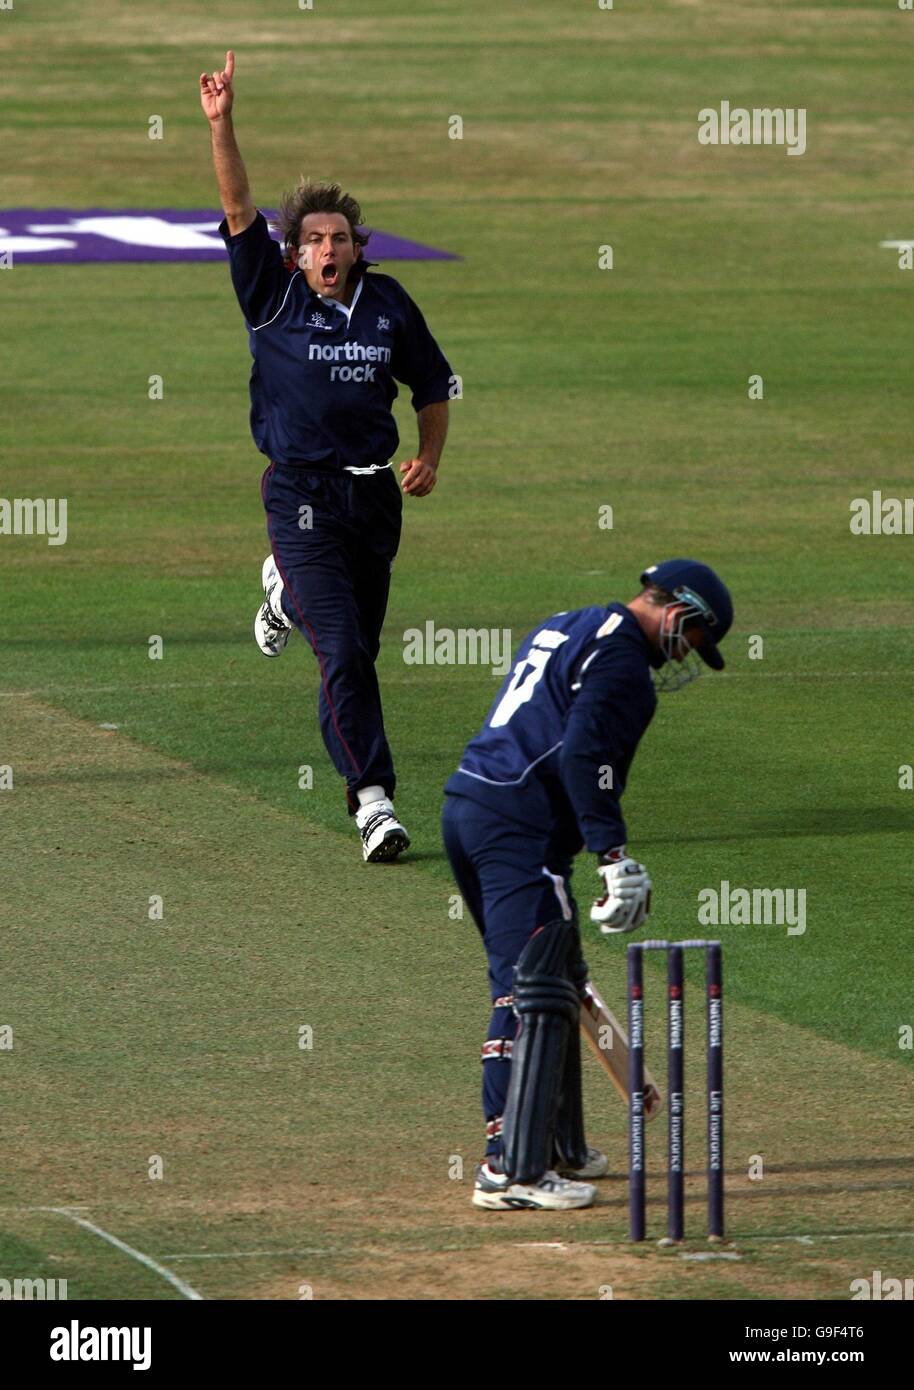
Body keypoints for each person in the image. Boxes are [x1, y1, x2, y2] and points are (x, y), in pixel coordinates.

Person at [200, 51, 454, 861]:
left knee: (357, 651)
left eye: (340, 237)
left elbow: (433, 385)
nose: (329, 248)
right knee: (341, 649)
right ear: (296, 251)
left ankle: (280, 596)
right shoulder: (269, 294)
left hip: (373, 500)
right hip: (300, 496)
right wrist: (222, 123)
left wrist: (429, 457)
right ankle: (373, 799)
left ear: (355, 245)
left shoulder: (386, 303)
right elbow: (237, 204)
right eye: (314, 239)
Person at [442, 559, 733, 1210]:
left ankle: (561, 1145)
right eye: (691, 638)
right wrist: (613, 853)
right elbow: (584, 754)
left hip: (472, 807)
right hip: (516, 824)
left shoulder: (571, 623)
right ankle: (508, 1168)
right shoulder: (625, 660)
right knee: (528, 989)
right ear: (677, 610)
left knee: (556, 978)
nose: (684, 653)